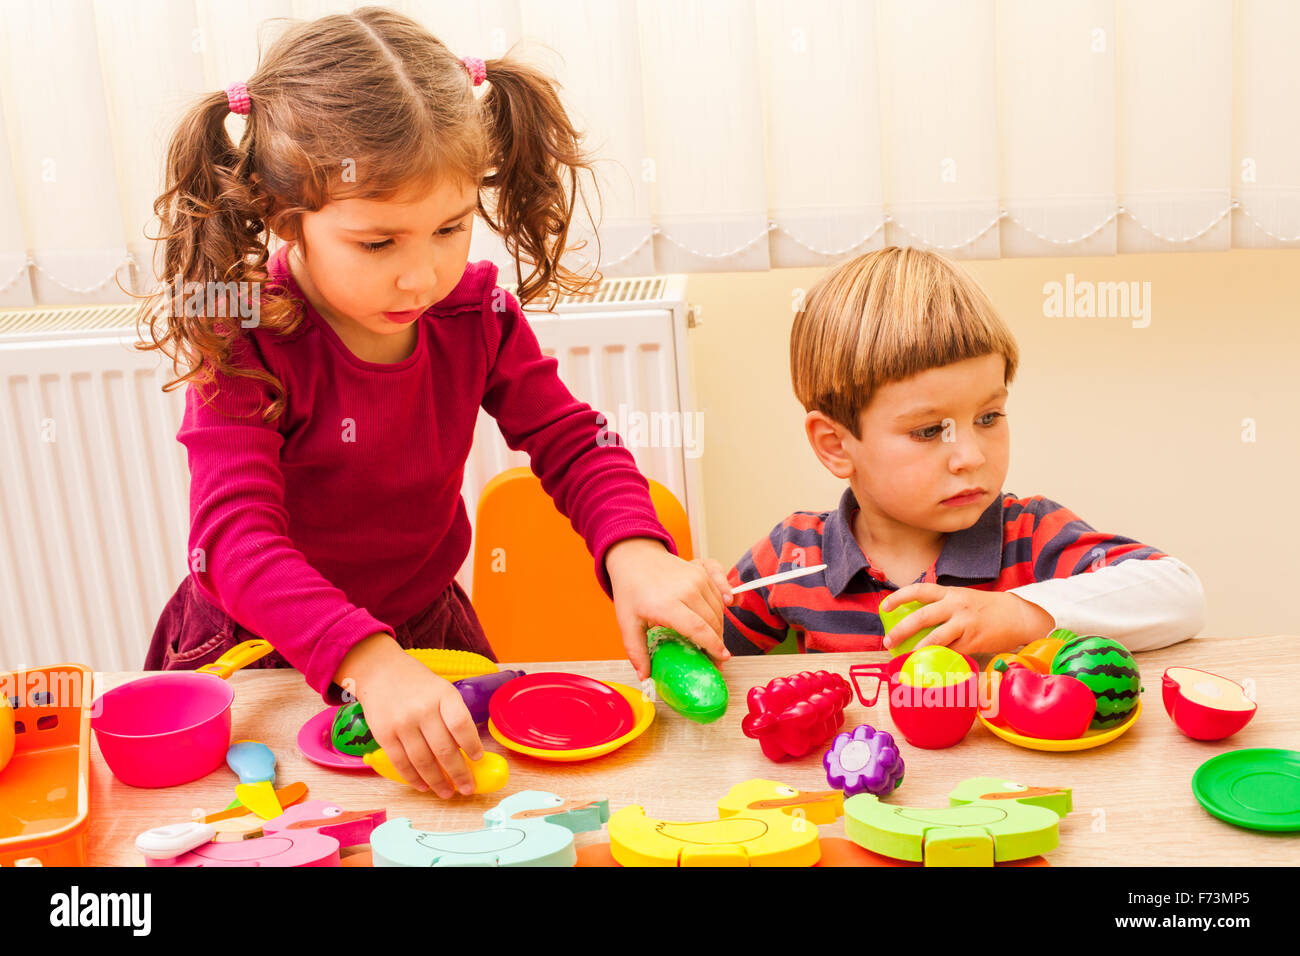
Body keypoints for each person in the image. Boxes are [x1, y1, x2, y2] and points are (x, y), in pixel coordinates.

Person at [137, 7, 730, 799]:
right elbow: (235, 542)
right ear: (286, 219)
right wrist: (367, 660)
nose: (422, 276)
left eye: (450, 228)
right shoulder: (243, 334)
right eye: (379, 243)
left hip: (422, 634)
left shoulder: (475, 314)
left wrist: (637, 554)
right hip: (268, 651)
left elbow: (573, 443)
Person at [722, 246, 1206, 657]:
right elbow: (703, 654)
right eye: (931, 430)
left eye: (989, 418)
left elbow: (1179, 593)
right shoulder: (792, 556)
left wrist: (1018, 614)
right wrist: (685, 609)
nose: (970, 456)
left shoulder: (1031, 537)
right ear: (836, 446)